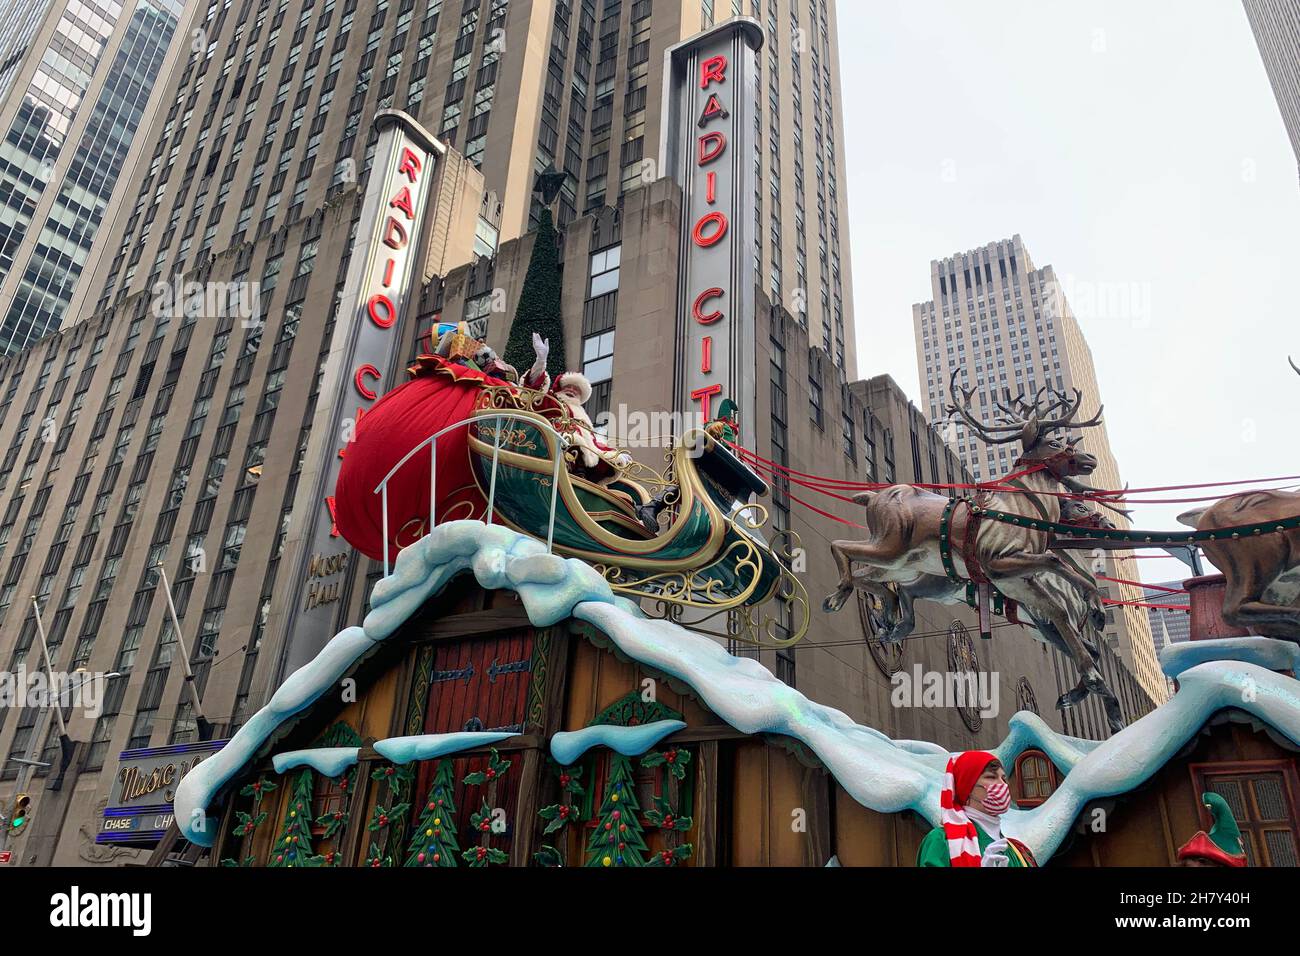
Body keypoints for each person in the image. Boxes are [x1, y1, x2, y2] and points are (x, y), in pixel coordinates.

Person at [916, 750, 1037, 867]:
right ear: (967, 787)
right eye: (991, 777)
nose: (1003, 784)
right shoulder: (941, 841)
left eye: (1004, 779)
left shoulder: (1019, 851)